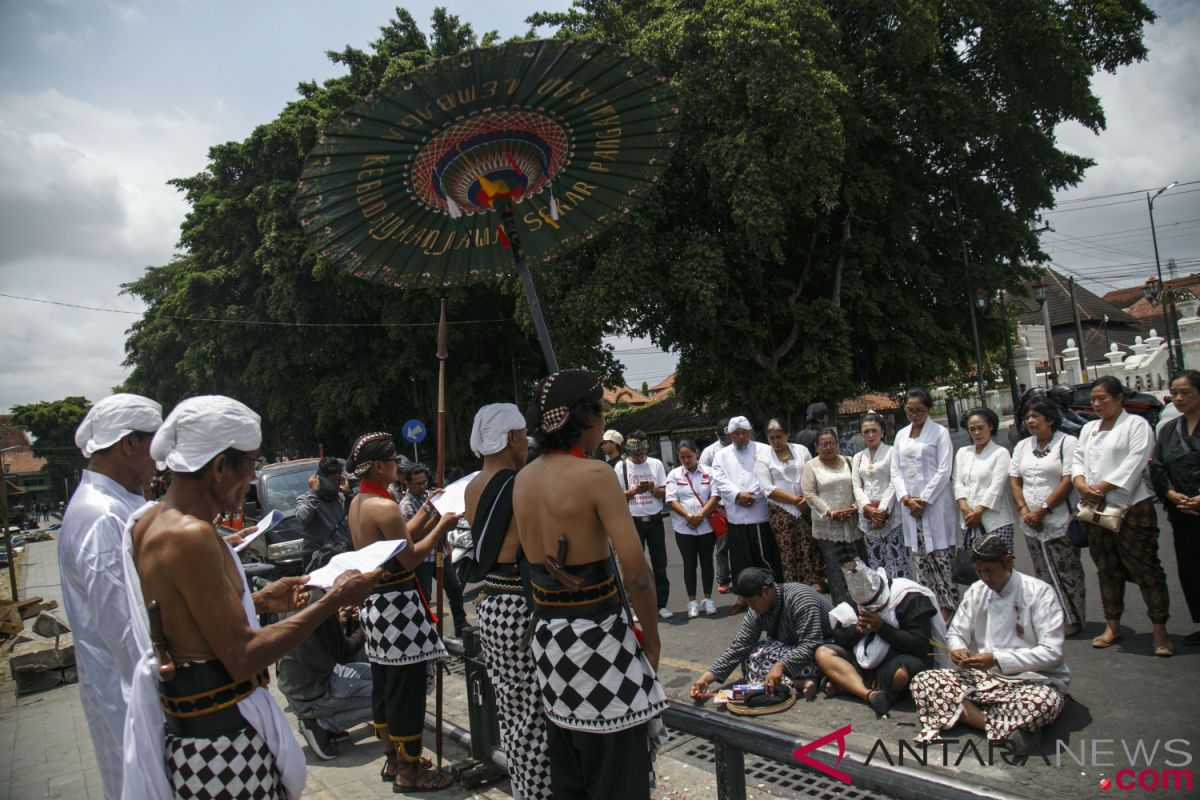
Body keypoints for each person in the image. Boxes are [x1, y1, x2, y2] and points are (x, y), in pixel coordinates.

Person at [120, 396, 380, 799]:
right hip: (223, 745)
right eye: (251, 466)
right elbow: (242, 657)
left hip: (200, 737)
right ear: (221, 466)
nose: (249, 482)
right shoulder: (191, 536)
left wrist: (258, 603)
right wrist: (331, 600)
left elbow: (186, 620)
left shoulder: (148, 522)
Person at [515, 370, 667, 799]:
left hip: (549, 644)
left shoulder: (522, 480)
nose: (604, 421)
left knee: (572, 775)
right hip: (599, 642)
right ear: (585, 419)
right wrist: (651, 641)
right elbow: (637, 573)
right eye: (601, 411)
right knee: (618, 776)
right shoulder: (597, 475)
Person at [58, 393, 162, 800]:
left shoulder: (114, 504)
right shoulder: (103, 515)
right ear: (128, 444)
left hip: (128, 694)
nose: (157, 464)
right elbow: (126, 629)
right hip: (131, 697)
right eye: (152, 449)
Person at [347, 432, 462, 792]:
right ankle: (409, 770)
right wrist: (441, 526)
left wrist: (429, 510)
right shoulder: (383, 505)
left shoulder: (360, 501)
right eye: (394, 461)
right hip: (397, 606)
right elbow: (409, 558)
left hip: (376, 607)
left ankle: (394, 758)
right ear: (380, 466)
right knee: (406, 689)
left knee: (385, 684)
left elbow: (397, 542)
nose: (398, 466)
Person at [908, 534, 1070, 756]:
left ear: (1008, 561)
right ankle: (1000, 727)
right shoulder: (977, 590)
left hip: (1033, 679)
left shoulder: (1039, 592)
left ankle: (966, 712)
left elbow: (1053, 653)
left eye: (990, 571)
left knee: (1041, 703)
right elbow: (956, 632)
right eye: (979, 571)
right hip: (987, 678)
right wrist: (958, 649)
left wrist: (995, 658)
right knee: (923, 682)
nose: (985, 577)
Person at [463, 403, 552, 799]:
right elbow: (539, 549)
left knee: (513, 710)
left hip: (491, 604)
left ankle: (523, 788)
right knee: (538, 715)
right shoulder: (521, 483)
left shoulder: (470, 487)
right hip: (522, 606)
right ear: (513, 437)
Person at [1071, 375, 1173, 656]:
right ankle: (1112, 625)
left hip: (1130, 507)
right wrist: (1081, 484)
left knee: (1146, 568)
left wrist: (1102, 488)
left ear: (1118, 399)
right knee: (1106, 568)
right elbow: (1077, 460)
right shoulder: (1089, 429)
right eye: (1093, 399)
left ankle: (1159, 629)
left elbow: (1136, 461)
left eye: (1102, 398)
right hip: (1095, 509)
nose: (1096, 403)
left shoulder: (1136, 425)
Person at [816, 559, 946, 715]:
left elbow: (920, 643)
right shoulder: (857, 598)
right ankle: (870, 694)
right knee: (823, 653)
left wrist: (882, 628)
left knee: (902, 674)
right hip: (863, 656)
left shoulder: (910, 597)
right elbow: (840, 637)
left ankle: (849, 685)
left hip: (897, 656)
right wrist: (857, 632)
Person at [690, 567, 830, 700]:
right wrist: (706, 679)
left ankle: (803, 680)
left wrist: (780, 666)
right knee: (751, 658)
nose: (751, 607)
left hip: (824, 651)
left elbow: (812, 643)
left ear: (765, 591)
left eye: (752, 602)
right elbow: (740, 646)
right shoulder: (756, 609)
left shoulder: (799, 598)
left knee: (762, 664)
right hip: (789, 649)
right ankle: (798, 682)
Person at [1009, 399, 1087, 636]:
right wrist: (1024, 511)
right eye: (1027, 417)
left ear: (1050, 419)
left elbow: (1067, 480)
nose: (1030, 421)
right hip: (1030, 522)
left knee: (1067, 570)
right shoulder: (1023, 446)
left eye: (1036, 416)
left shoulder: (1066, 442)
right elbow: (1014, 480)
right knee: (1042, 573)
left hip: (1057, 519)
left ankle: (1073, 617)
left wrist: (1042, 510)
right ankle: (1051, 619)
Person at [276, 583, 372, 761]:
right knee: (386, 694)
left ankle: (323, 722)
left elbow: (314, 633)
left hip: (296, 682)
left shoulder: (305, 595)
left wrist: (338, 619)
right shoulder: (323, 607)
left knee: (372, 674)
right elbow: (344, 653)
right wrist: (365, 625)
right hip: (313, 691)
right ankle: (322, 724)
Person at [892, 387, 960, 618]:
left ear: (928, 409)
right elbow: (896, 471)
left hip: (935, 506)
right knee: (919, 557)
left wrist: (924, 499)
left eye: (919, 410)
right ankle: (929, 610)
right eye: (910, 410)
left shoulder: (939, 433)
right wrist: (906, 498)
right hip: (910, 508)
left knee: (940, 557)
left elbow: (944, 469)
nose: (914, 414)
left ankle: (949, 607)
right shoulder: (901, 435)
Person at [1150, 370, 1200, 648]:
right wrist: (1170, 493)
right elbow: (1157, 467)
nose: (1179, 398)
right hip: (1181, 511)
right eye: (1175, 393)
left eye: (1186, 393)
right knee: (1191, 567)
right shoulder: (1169, 429)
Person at [712, 416, 783, 613]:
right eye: (736, 433)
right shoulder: (721, 455)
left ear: (751, 432)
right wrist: (737, 495)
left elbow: (768, 475)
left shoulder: (763, 449)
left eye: (744, 432)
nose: (741, 437)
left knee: (764, 556)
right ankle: (743, 599)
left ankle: (773, 594)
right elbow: (719, 478)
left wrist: (752, 494)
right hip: (736, 514)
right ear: (729, 435)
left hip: (759, 511)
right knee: (740, 560)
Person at [400, 462, 469, 636]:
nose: (422, 486)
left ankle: (461, 625)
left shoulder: (431, 496)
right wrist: (437, 521)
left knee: (454, 587)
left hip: (440, 554)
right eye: (417, 483)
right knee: (425, 597)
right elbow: (415, 535)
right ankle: (427, 633)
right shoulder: (406, 505)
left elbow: (444, 522)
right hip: (422, 558)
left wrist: (445, 542)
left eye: (424, 482)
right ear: (407, 483)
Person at [755, 418, 823, 589]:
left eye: (779, 436)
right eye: (772, 438)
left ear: (787, 434)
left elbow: (811, 474)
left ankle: (813, 581)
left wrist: (806, 499)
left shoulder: (801, 451)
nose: (776, 442)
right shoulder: (763, 458)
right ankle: (793, 586)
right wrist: (794, 500)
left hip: (805, 505)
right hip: (780, 509)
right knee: (787, 549)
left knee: (809, 545)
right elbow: (767, 488)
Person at [801, 428, 864, 607]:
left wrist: (854, 507)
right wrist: (829, 512)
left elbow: (859, 487)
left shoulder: (849, 462)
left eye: (831, 443)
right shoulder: (811, 466)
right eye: (824, 444)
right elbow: (809, 494)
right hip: (828, 526)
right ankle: (843, 614)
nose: (828, 447)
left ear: (837, 444)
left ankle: (862, 609)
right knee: (837, 571)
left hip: (852, 523)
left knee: (858, 568)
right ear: (816, 446)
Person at [614, 429, 672, 618]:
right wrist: (634, 491)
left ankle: (661, 604)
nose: (639, 457)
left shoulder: (655, 464)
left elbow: (665, 491)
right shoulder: (620, 467)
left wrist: (652, 489)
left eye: (641, 453)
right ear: (629, 453)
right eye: (635, 454)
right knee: (635, 565)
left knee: (659, 563)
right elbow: (617, 495)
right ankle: (637, 606)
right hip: (633, 520)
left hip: (654, 518)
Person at [851, 412, 913, 581]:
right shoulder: (858, 457)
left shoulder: (892, 452)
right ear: (861, 434)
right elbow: (856, 484)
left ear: (882, 431)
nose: (870, 435)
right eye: (866, 432)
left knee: (896, 556)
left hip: (890, 513)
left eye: (874, 430)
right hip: (868, 514)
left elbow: (895, 482)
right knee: (876, 559)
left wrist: (882, 510)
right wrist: (867, 508)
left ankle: (902, 596)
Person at [665, 440, 721, 618]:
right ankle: (692, 602)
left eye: (689, 456)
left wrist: (700, 516)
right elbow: (671, 500)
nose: (686, 460)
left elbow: (715, 496)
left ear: (697, 453)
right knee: (689, 564)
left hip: (706, 526)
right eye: (682, 457)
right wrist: (689, 517)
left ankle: (708, 599)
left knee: (706, 562)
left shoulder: (709, 472)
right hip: (684, 527)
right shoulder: (674, 475)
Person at [954, 407, 1016, 558]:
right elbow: (957, 482)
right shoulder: (963, 453)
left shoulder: (1000, 453)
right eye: (972, 429)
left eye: (980, 428)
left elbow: (996, 487)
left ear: (991, 426)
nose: (976, 433)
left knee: (1000, 570)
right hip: (968, 521)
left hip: (996, 522)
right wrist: (964, 508)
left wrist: (978, 512)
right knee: (977, 570)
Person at [699, 418, 733, 593]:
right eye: (724, 438)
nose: (728, 442)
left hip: (737, 502)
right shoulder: (709, 452)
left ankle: (741, 576)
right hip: (718, 505)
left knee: (740, 542)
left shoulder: (738, 447)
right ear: (717, 435)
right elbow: (703, 479)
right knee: (722, 545)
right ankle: (724, 578)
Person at [295, 456, 351, 558]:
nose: (336, 484)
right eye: (333, 480)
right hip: (320, 559)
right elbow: (303, 517)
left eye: (339, 480)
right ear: (320, 479)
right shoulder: (307, 499)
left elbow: (355, 518)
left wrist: (348, 494)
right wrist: (314, 492)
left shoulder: (341, 498)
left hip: (343, 555)